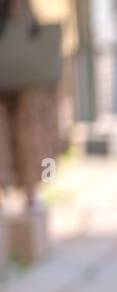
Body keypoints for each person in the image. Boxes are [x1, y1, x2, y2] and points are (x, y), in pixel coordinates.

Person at [0, 0, 63, 212]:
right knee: (32, 124)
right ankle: (28, 192)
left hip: (27, 37)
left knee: (32, 123)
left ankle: (29, 191)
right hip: (26, 40)